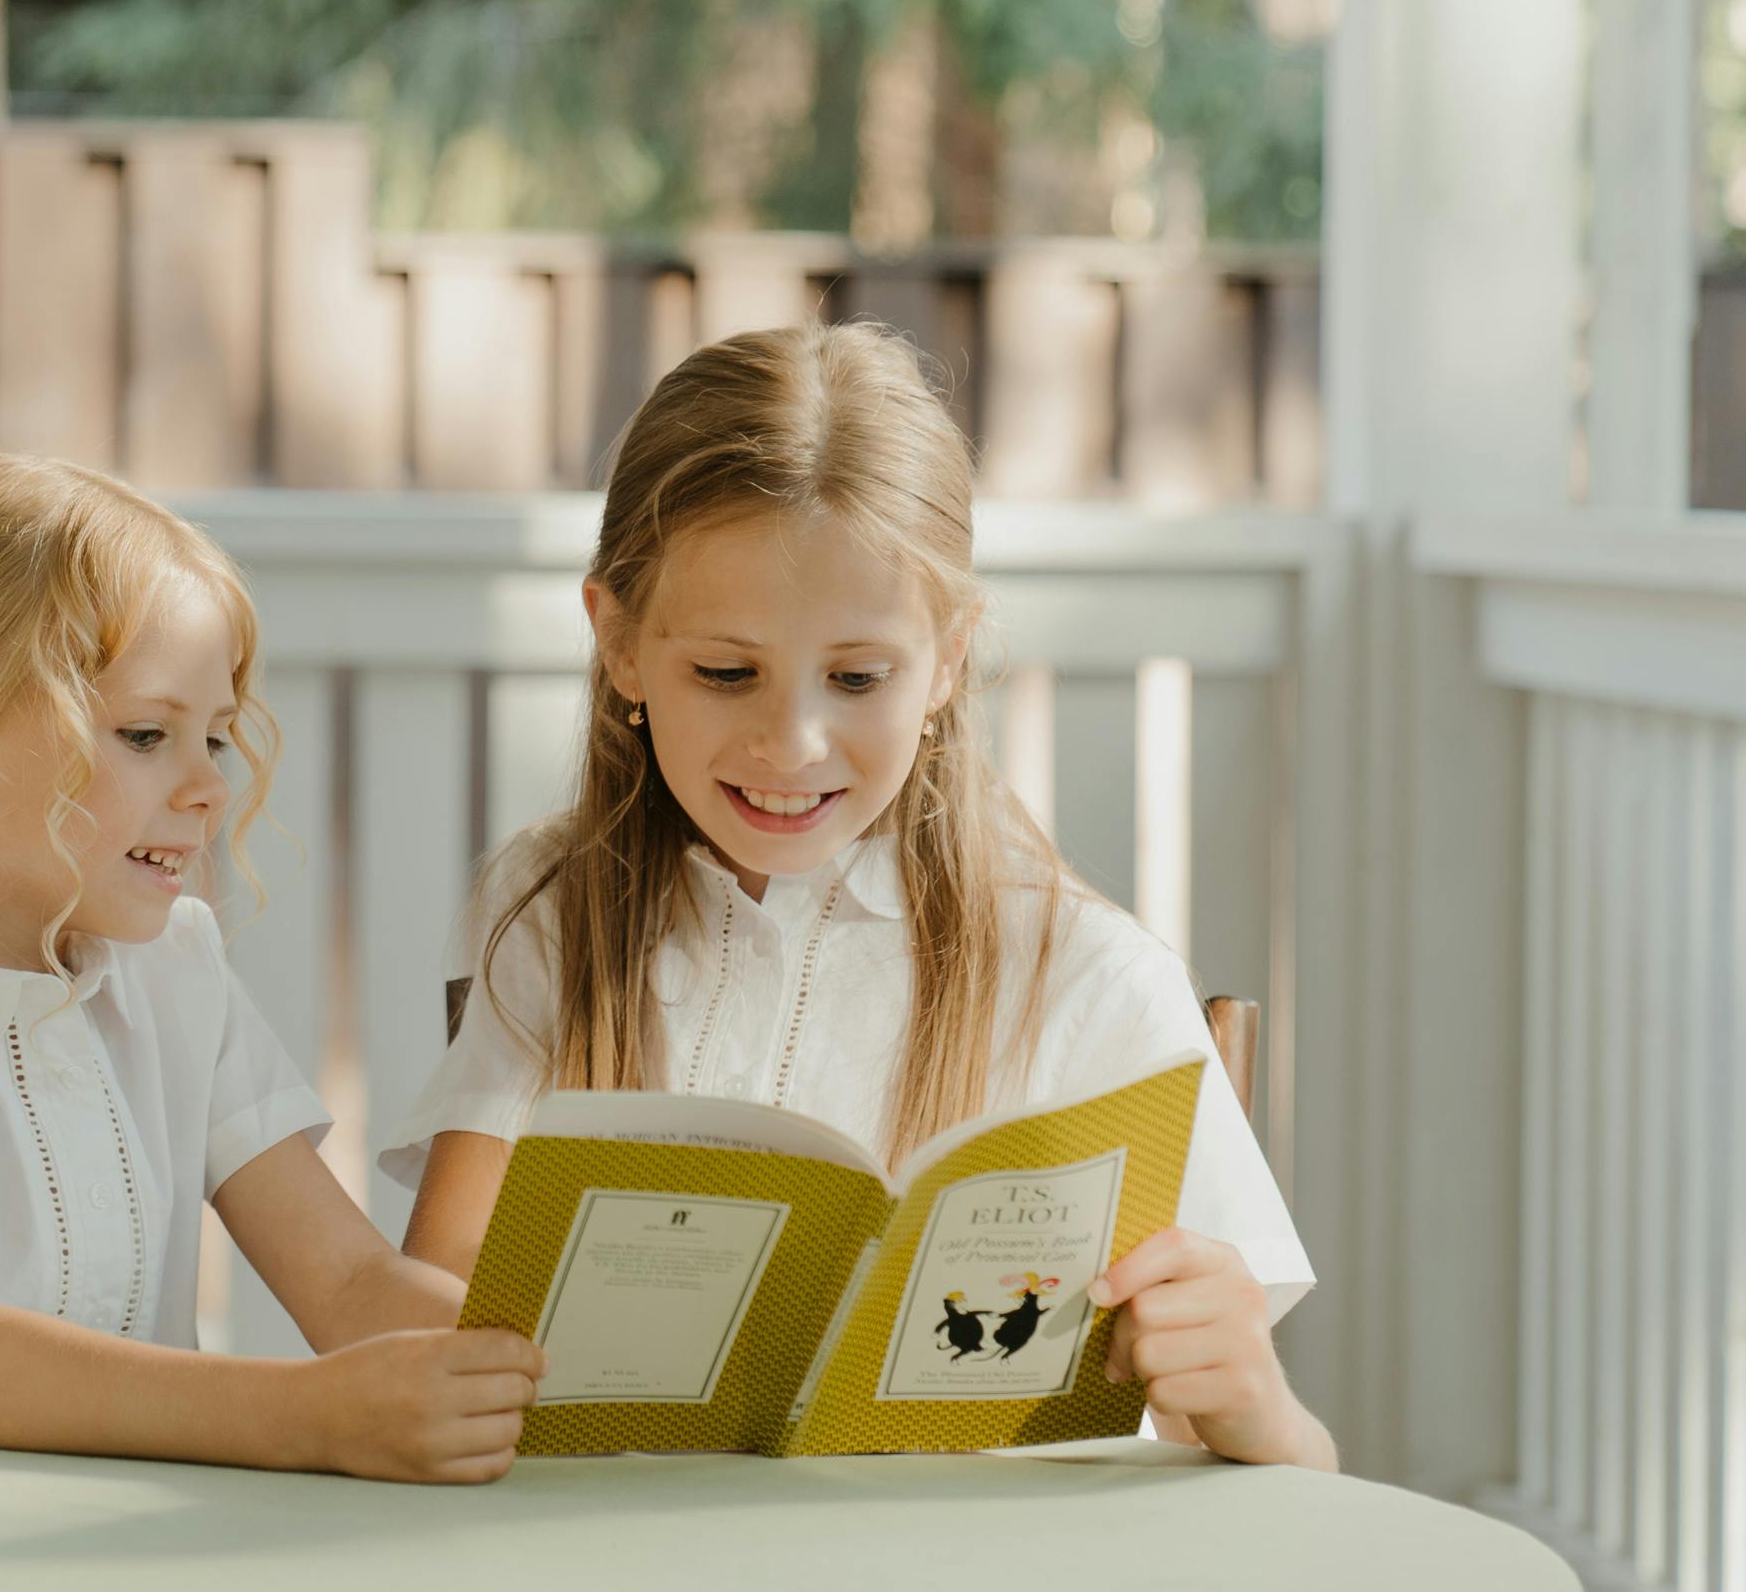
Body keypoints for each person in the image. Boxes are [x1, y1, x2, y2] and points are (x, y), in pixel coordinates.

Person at [389, 321, 1333, 1468]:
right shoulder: (546, 908)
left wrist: (1259, 1408)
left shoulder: (1085, 974)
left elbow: (1285, 1476)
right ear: (620, 643)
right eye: (725, 671)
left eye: (856, 676)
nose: (790, 741)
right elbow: (432, 1310)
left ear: (944, 658)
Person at [0, 447, 540, 1483]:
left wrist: (570, 1361)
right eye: (147, 732)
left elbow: (347, 1279)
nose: (208, 786)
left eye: (215, 736)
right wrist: (301, 1414)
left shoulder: (173, 974)